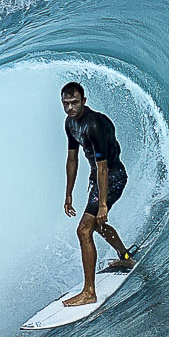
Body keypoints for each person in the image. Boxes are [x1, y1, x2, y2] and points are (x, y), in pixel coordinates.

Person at [58, 80, 137, 308]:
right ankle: (125, 259)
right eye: (66, 104)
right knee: (96, 226)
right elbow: (72, 159)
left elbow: (103, 166)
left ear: (84, 101)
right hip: (98, 179)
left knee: (83, 230)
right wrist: (68, 194)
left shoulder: (94, 125)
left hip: (113, 177)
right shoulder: (70, 124)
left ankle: (89, 292)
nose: (70, 108)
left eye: (74, 102)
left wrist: (102, 204)